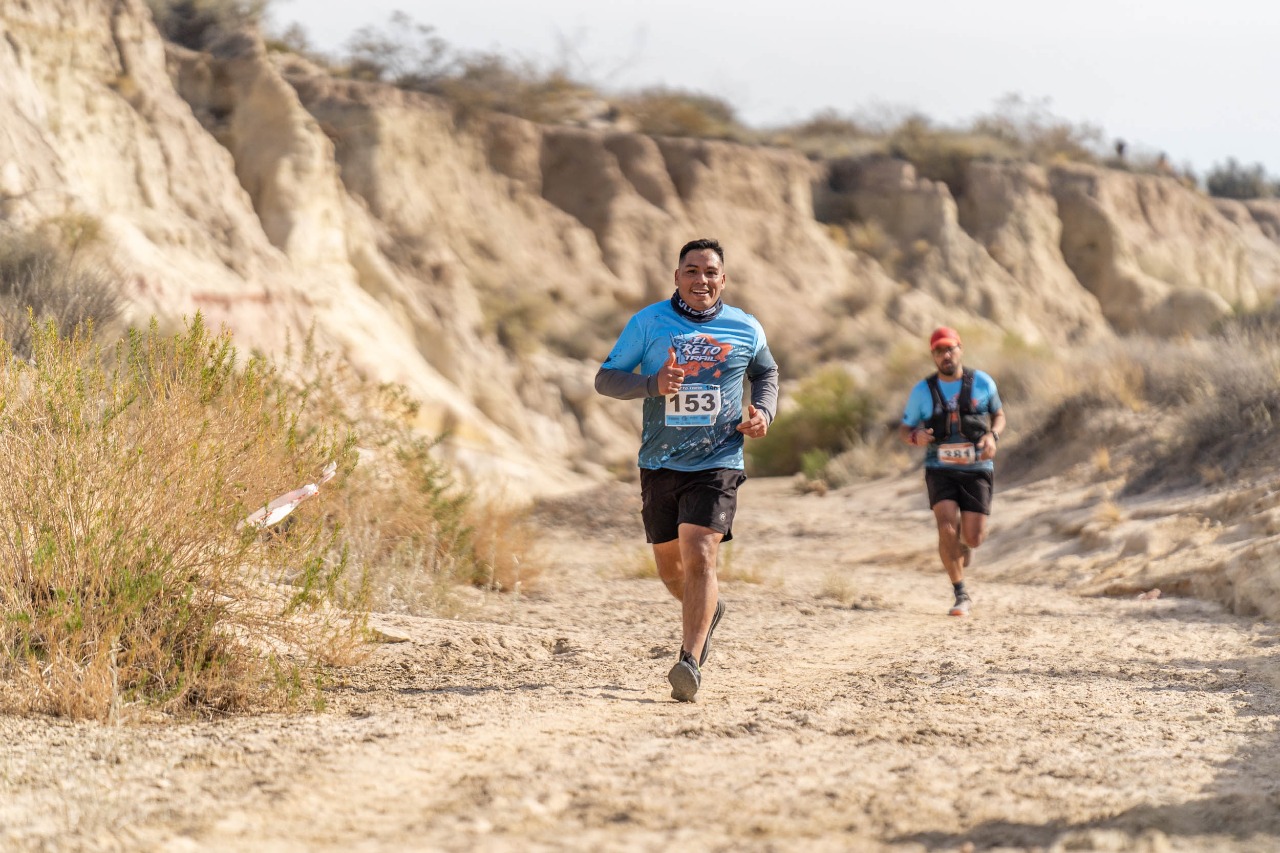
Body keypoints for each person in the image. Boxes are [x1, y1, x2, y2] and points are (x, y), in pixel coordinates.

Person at [595, 238, 778, 702]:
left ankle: (689, 662)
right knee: (670, 567)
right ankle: (707, 611)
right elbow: (605, 378)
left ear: (723, 279)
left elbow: (767, 374)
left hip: (718, 459)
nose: (702, 280)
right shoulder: (648, 322)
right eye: (692, 271)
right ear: (677, 277)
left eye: (711, 272)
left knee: (700, 554)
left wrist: (763, 412)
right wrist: (651, 383)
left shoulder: (745, 326)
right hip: (659, 461)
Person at [899, 326, 1006, 617]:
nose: (946, 355)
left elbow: (998, 414)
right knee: (945, 526)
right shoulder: (923, 391)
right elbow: (905, 428)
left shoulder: (982, 382)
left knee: (973, 538)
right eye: (939, 350)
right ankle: (961, 593)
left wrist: (991, 437)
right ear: (933, 356)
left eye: (950, 348)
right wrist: (914, 437)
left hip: (977, 467)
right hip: (939, 468)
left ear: (960, 349)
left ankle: (962, 542)